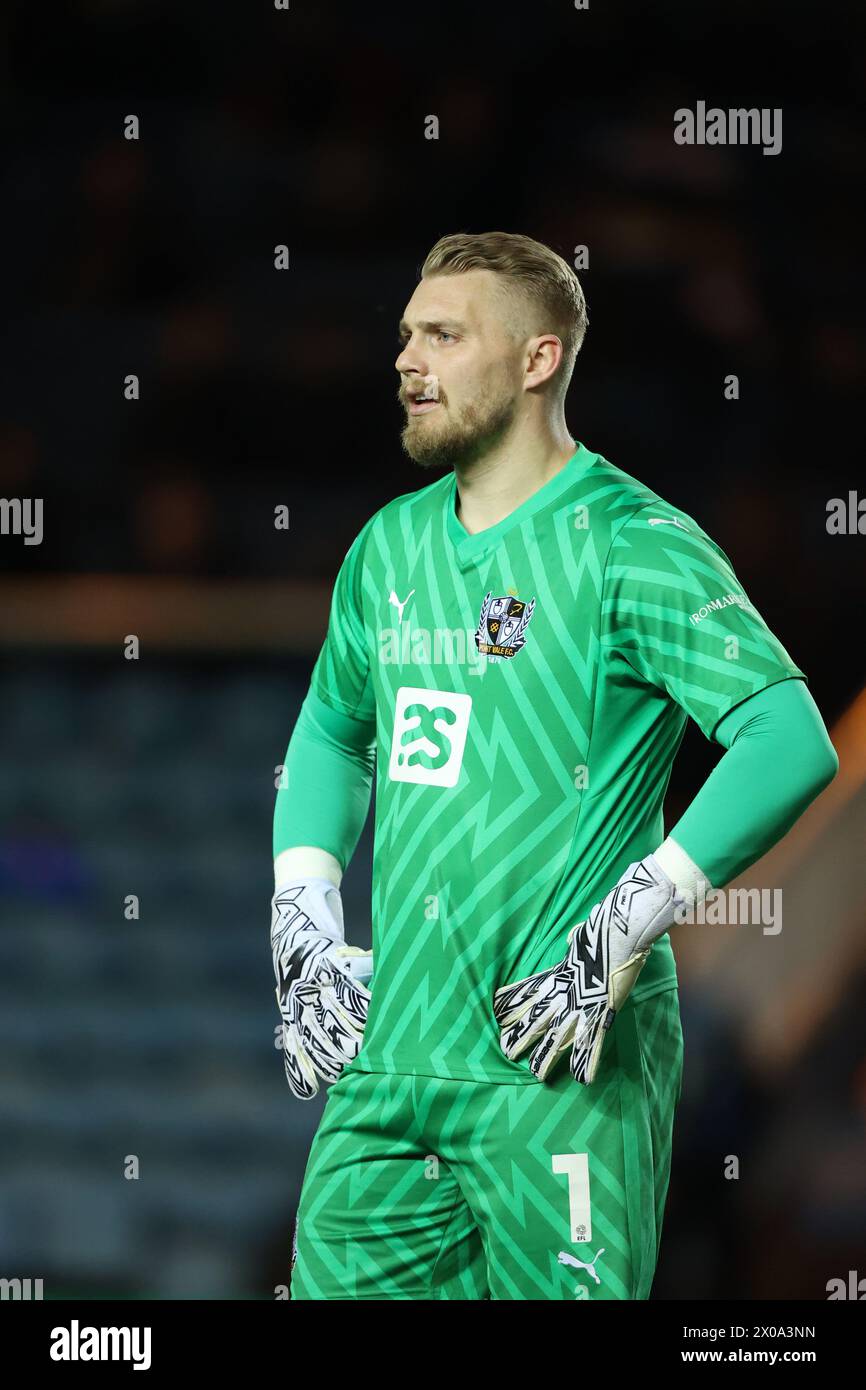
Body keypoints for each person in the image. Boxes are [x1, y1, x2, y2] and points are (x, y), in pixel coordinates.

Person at [271, 231, 838, 1300]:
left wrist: (632, 914)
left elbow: (786, 738)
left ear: (537, 359)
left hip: (558, 1049)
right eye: (404, 334)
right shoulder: (386, 546)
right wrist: (301, 906)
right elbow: (332, 729)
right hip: (392, 1047)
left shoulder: (634, 541)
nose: (405, 359)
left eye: (442, 334)